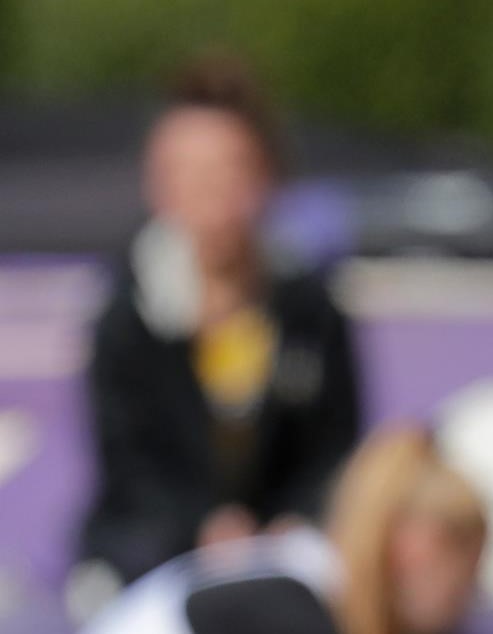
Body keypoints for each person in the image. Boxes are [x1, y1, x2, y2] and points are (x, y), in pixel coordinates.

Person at [72, 54, 363, 610]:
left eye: (231, 171)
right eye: (190, 174)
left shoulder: (310, 309)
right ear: (158, 185)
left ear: (268, 176)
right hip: (157, 556)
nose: (213, 196)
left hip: (285, 554)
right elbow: (128, 470)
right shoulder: (127, 316)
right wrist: (205, 528)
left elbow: (335, 456)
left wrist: (291, 523)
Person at [81, 424, 488, 634]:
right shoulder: (292, 607)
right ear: (413, 548)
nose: (468, 600)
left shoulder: (307, 574)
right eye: (464, 578)